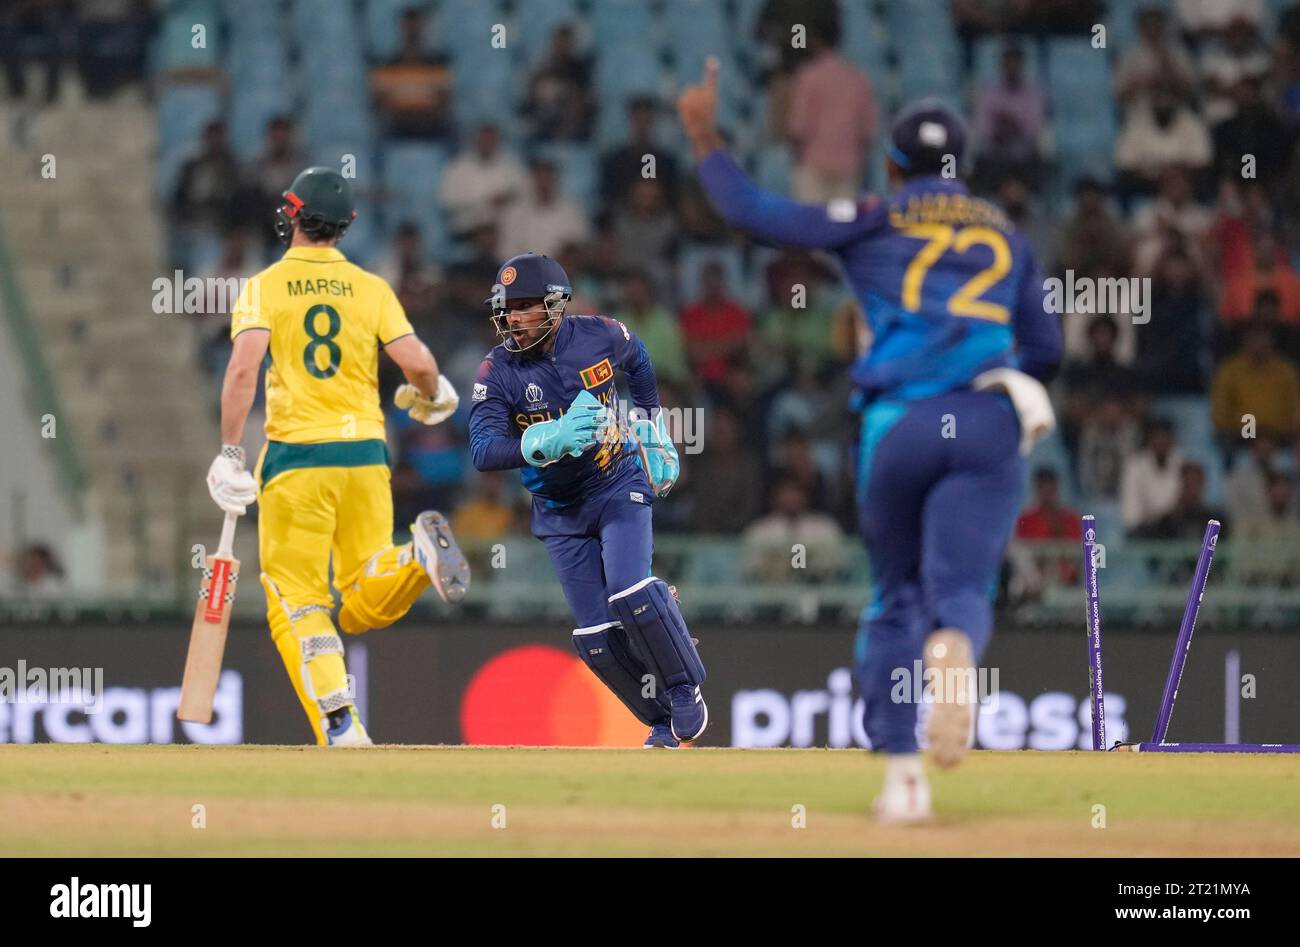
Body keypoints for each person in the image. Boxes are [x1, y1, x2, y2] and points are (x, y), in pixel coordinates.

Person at [678, 63, 1062, 822]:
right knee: (960, 592)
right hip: (985, 419)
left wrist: (701, 133)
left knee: (894, 602)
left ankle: (902, 778)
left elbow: (755, 214)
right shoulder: (1008, 237)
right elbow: (1047, 348)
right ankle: (955, 645)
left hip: (898, 424)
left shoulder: (876, 214)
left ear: (892, 165)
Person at [206, 167, 470, 747]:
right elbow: (421, 365)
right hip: (366, 458)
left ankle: (339, 722)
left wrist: (229, 453)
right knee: (359, 601)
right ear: (347, 226)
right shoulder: (372, 288)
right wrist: (432, 396)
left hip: (297, 460)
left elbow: (244, 369)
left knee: (296, 598)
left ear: (293, 215)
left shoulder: (265, 286)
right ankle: (414, 559)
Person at [467, 252, 706, 749]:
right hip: (558, 510)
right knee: (596, 636)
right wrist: (541, 442)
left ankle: (685, 689)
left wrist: (651, 422)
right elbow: (483, 450)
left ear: (555, 305)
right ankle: (660, 720)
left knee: (628, 591)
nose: (513, 317)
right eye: (507, 307)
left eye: (526, 306)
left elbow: (638, 359)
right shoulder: (497, 371)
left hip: (617, 480)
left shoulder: (601, 334)